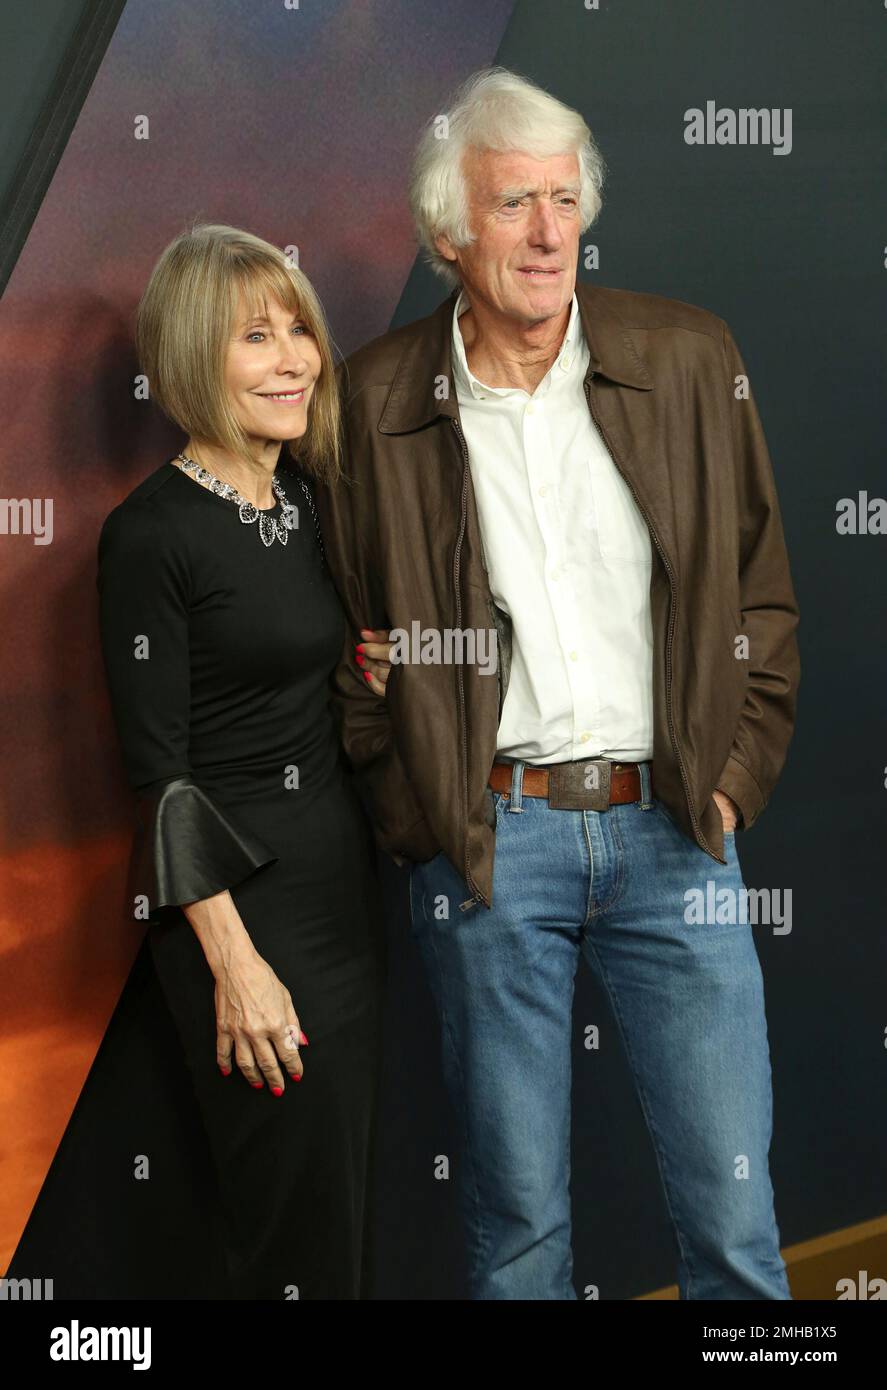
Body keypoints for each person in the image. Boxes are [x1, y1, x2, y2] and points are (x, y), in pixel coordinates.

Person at [314, 68, 800, 1300]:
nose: (546, 234)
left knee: (734, 1220)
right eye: (513, 203)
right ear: (445, 234)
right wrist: (418, 812)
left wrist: (730, 783)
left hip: (675, 830)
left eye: (563, 199)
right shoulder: (373, 403)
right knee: (517, 1229)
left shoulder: (688, 357)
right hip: (490, 840)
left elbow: (760, 592)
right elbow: (359, 650)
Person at [97, 223, 391, 1300]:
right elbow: (160, 777)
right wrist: (235, 962)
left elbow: (297, 683)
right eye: (255, 338)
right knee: (288, 1237)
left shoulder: (305, 503)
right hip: (245, 923)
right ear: (188, 360)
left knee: (342, 1209)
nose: (296, 358)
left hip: (344, 897)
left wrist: (374, 673)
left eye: (300, 329)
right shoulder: (150, 534)